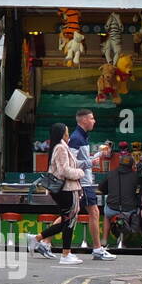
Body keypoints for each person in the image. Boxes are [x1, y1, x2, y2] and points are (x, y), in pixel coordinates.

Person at [30, 123, 84, 264]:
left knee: (66, 221)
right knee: (69, 222)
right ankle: (66, 255)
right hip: (66, 189)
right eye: (67, 132)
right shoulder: (61, 148)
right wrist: (80, 173)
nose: (69, 134)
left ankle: (37, 238)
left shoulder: (60, 147)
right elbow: (64, 170)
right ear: (62, 134)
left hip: (65, 190)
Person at [69, 109, 115, 259]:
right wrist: (90, 162)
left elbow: (82, 160)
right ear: (84, 121)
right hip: (83, 182)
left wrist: (99, 155)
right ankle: (97, 249)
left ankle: (42, 240)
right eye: (92, 118)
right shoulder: (76, 138)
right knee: (93, 213)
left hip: (84, 181)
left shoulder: (82, 137)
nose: (94, 121)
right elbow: (71, 162)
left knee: (70, 214)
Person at [102, 153, 142, 246]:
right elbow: (138, 192)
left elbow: (102, 189)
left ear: (119, 163)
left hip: (112, 209)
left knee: (106, 215)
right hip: (129, 210)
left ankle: (104, 239)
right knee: (134, 212)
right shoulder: (136, 176)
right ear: (132, 165)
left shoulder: (111, 174)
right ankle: (123, 240)